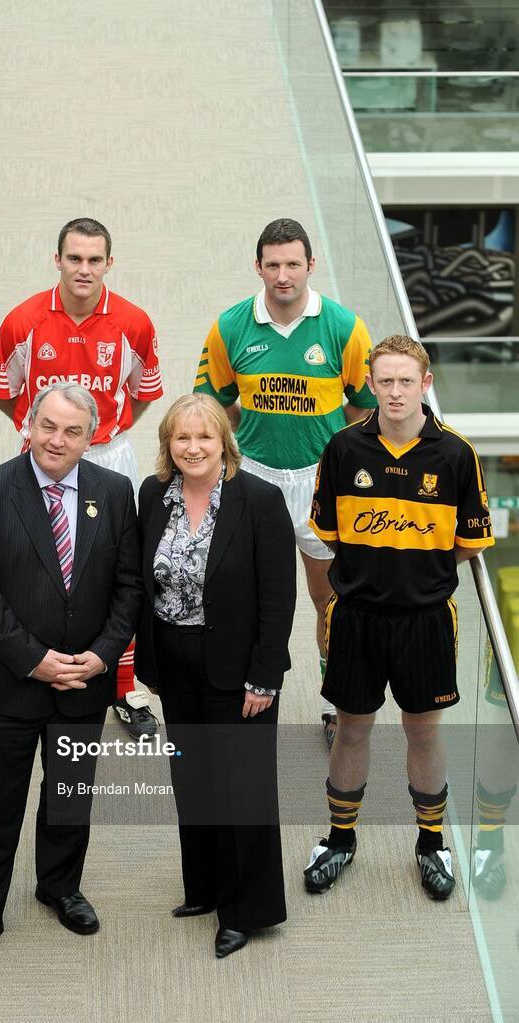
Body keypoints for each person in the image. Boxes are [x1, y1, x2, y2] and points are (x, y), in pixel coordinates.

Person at [0, 383, 141, 968]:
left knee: (69, 797)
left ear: (91, 436)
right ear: (28, 422)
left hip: (84, 680)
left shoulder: (115, 492)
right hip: (8, 684)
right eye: (48, 425)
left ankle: (60, 886)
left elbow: (129, 587)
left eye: (73, 431)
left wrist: (101, 655)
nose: (57, 440)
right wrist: (35, 660)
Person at [303, 334, 495, 900]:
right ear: (371, 384)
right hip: (357, 617)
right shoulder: (343, 450)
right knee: (352, 728)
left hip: (426, 620)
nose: (393, 392)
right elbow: (331, 536)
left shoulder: (456, 455)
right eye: (383, 381)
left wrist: (417, 572)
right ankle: (340, 839)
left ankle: (431, 841)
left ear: (425, 384)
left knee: (423, 732)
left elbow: (467, 543)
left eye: (404, 381)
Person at [193, 218, 377, 746]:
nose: (282, 275)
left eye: (293, 263)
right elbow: (211, 407)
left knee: (329, 599)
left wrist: (347, 470)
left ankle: (331, 700)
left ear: (310, 266)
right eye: (272, 264)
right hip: (255, 480)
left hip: (321, 485)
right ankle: (239, 690)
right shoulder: (230, 326)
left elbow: (362, 412)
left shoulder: (344, 326)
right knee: (241, 595)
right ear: (258, 267)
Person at [135, 394, 296, 958]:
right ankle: (203, 888)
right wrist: (148, 663)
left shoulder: (259, 500)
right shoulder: (154, 495)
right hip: (176, 662)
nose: (194, 447)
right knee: (195, 781)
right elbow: (143, 583)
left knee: (243, 790)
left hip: (240, 670)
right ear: (168, 445)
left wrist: (264, 676)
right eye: (182, 438)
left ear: (224, 443)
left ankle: (246, 909)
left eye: (205, 437)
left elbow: (278, 597)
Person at [0, 217, 162, 740]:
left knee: (118, 571)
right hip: (44, 456)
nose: (83, 269)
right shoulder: (23, 321)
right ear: (57, 259)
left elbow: (145, 392)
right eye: (74, 258)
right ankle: (46, 663)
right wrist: (38, 431)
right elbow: (3, 390)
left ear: (109, 263)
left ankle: (124, 685)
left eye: (94, 260)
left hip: (109, 457)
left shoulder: (134, 323)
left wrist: (104, 434)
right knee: (44, 567)